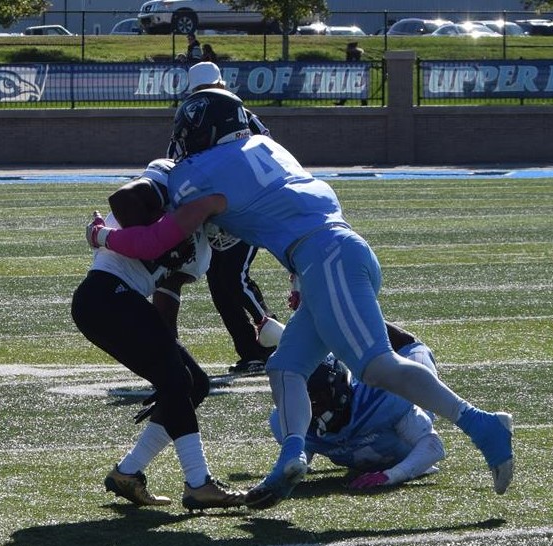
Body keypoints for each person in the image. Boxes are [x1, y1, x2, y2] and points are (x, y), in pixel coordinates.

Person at [86, 89, 515, 510]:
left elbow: (155, 239)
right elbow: (291, 204)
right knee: (286, 367)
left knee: (376, 364)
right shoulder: (271, 148)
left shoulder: (198, 173)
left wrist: (101, 235)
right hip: (333, 252)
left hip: (324, 256)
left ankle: (481, 423)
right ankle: (290, 459)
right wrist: (299, 277)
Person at [72, 158, 246, 512]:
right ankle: (199, 483)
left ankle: (128, 472)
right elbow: (122, 199)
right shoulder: (168, 189)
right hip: (104, 294)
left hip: (119, 301)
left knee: (194, 384)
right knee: (177, 382)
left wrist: (166, 361)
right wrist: (151, 232)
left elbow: (167, 296)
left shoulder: (200, 250)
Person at [267, 322, 446, 489]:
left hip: (407, 379)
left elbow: (433, 446)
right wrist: (291, 467)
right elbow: (302, 452)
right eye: (305, 398)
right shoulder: (289, 419)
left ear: (337, 389)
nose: (312, 407)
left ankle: (347, 317)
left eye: (318, 398)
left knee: (412, 357)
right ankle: (328, 320)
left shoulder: (382, 399)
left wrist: (392, 475)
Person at [187, 61, 280, 375]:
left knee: (234, 279)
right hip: (216, 210)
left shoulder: (239, 116)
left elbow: (265, 154)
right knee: (221, 284)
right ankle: (251, 351)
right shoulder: (196, 117)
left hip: (242, 206)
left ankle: (274, 340)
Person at [335, 42, 367, 106]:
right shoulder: (356, 53)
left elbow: (349, 62)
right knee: (353, 87)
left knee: (349, 87)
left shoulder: (352, 54)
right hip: (356, 72)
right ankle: (363, 103)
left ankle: (342, 102)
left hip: (354, 72)